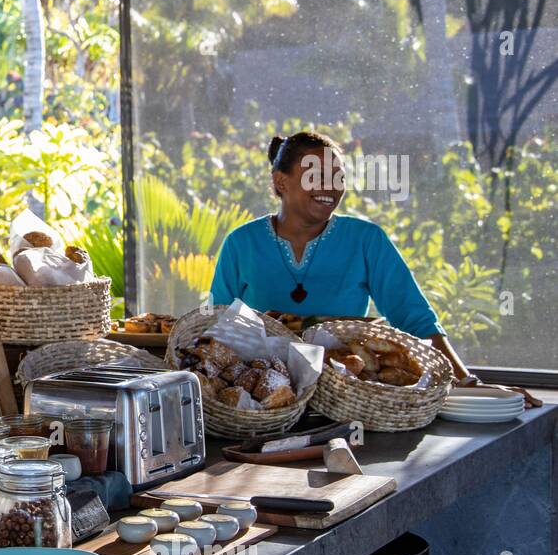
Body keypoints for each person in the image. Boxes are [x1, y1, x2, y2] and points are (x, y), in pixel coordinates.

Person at [209, 130, 539, 406]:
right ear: (281, 182)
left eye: (337, 178)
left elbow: (415, 318)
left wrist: (468, 382)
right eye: (316, 176)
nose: (331, 188)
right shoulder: (241, 243)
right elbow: (215, 328)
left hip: (349, 398)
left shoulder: (366, 240)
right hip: (263, 404)